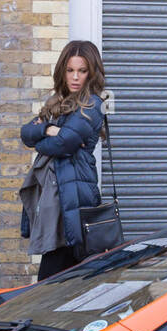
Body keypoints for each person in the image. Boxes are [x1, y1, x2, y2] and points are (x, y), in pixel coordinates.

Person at [19, 40, 106, 281]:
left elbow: (64, 144)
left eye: (82, 70)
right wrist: (49, 130)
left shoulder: (92, 105)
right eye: (70, 70)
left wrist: (49, 136)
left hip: (75, 192)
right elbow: (26, 133)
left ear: (92, 73)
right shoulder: (57, 103)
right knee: (63, 271)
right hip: (57, 194)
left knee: (54, 273)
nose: (75, 77)